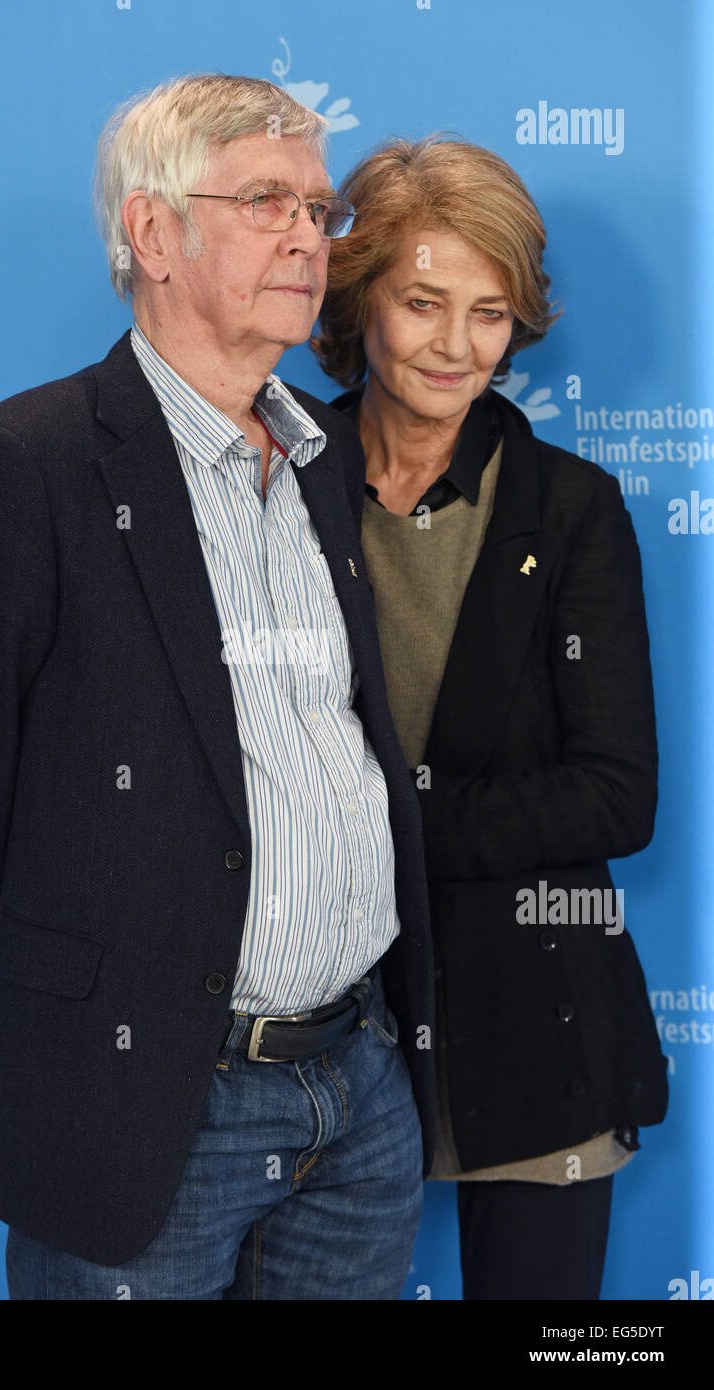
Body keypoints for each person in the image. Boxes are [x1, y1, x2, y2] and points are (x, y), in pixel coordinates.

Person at [0, 75, 438, 1301]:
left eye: (319, 208)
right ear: (151, 233)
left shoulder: (323, 456)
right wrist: (79, 994)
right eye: (265, 201)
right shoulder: (30, 464)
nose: (309, 235)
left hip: (358, 1094)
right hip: (148, 1106)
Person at [312, 135, 669, 1300]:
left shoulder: (572, 509)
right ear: (360, 293)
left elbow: (617, 791)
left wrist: (387, 835)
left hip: (540, 1017)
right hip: (317, 1025)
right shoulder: (271, 480)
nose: (458, 347)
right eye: (423, 303)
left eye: (492, 311)